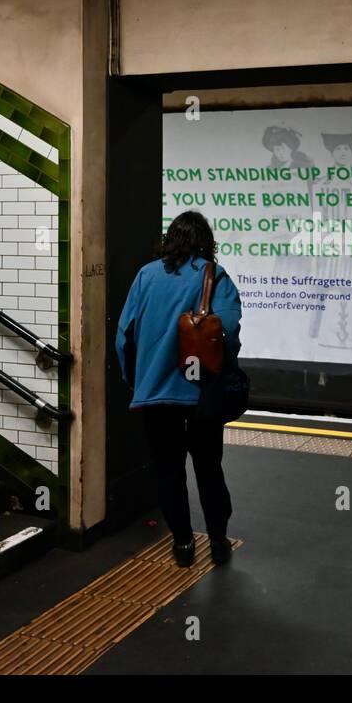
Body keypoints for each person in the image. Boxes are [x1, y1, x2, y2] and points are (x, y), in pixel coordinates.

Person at [115, 211, 242, 567]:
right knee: (208, 467)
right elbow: (227, 334)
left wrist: (136, 379)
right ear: (207, 241)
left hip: (157, 395)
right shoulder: (214, 277)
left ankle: (183, 545)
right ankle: (217, 541)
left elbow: (124, 335)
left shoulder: (146, 276)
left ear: (169, 240)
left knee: (168, 469)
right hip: (202, 394)